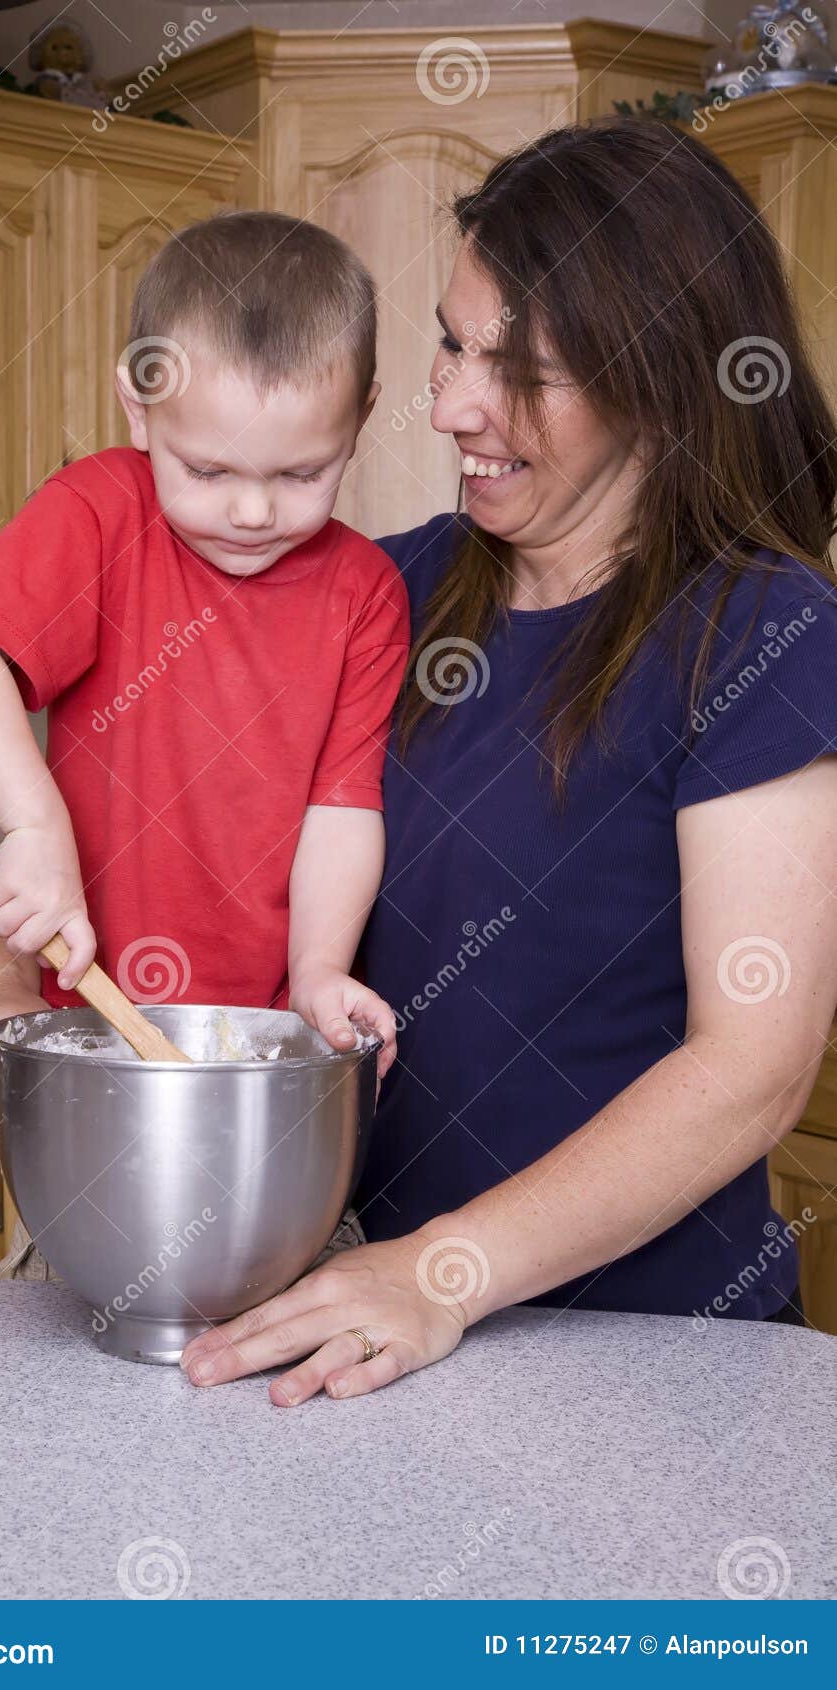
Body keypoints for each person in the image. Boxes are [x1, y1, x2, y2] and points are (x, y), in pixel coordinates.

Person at [177, 116, 837, 1405]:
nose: (449, 406)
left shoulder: (766, 631)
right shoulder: (386, 589)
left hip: (655, 1360)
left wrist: (440, 1272)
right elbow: (156, 796)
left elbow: (749, 1069)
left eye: (520, 371)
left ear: (658, 379)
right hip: (369, 1333)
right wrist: (2, 996)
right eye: (449, 340)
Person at [0, 211, 409, 1275]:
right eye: (208, 468)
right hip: (86, 1059)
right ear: (135, 404)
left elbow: (341, 807)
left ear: (362, 419)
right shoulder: (100, 511)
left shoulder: (366, 592)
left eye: (300, 474)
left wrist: (319, 969)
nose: (250, 510)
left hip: (267, 1078)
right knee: (90, 1329)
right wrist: (36, 825)